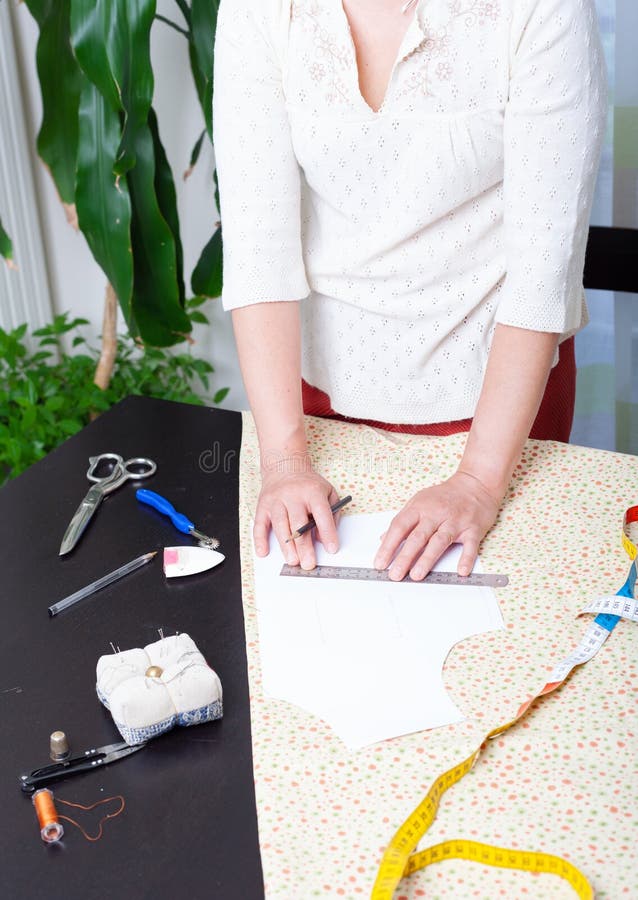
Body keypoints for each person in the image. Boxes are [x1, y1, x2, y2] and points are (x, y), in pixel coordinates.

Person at [212, 0, 607, 580]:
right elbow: (257, 252)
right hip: (314, 411)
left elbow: (542, 276)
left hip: (497, 412)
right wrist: (284, 461)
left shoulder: (544, 10)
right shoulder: (259, 11)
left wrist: (477, 483)